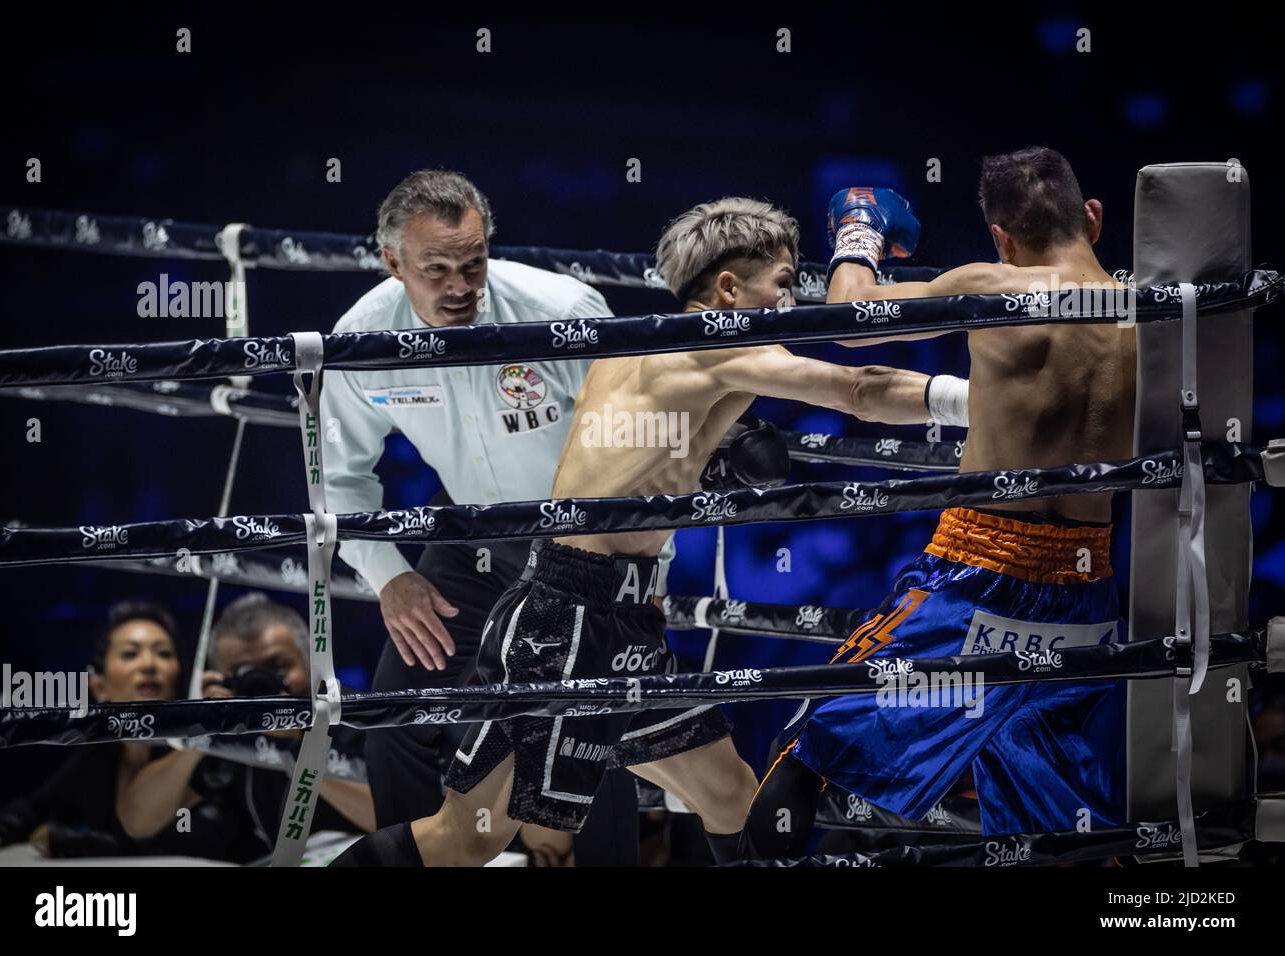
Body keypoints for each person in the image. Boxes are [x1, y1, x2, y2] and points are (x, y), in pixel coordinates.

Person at [332, 196, 957, 867]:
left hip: (620, 613)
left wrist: (711, 453)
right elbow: (859, 386)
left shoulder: (636, 339)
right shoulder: (711, 346)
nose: (789, 302)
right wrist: (981, 404)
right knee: (470, 834)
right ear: (726, 288)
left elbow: (639, 445)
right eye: (780, 283)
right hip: (567, 622)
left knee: (729, 797)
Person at [745, 147, 1133, 858]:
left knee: (805, 757)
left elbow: (855, 317)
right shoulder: (1151, 314)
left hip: (974, 579)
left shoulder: (995, 285)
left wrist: (858, 229)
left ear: (1002, 237)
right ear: (1094, 217)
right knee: (1059, 829)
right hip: (1088, 594)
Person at [322, 169, 646, 863]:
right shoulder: (361, 338)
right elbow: (337, 474)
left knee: (585, 728)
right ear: (393, 263)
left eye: (472, 264)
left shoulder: (560, 309)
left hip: (587, 543)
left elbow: (641, 437)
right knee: (399, 709)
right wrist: (389, 577)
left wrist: (627, 562)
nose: (459, 286)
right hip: (472, 538)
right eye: (435, 269)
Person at [0, 602, 246, 860]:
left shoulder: (211, 756)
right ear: (99, 687)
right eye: (130, 654)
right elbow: (37, 806)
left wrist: (84, 846)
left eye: (164, 653)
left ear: (181, 675)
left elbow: (190, 839)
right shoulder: (100, 755)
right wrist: (1, 828)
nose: (149, 665)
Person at [199, 593, 375, 848]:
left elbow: (391, 818)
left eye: (277, 666)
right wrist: (196, 726)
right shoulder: (227, 729)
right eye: (244, 674)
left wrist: (296, 751)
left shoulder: (356, 714)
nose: (263, 685)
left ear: (310, 663)